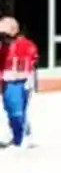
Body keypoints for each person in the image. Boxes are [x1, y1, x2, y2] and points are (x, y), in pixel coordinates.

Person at [0, 16, 37, 149]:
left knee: (19, 111)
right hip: (6, 82)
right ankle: (15, 134)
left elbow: (31, 63)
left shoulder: (26, 45)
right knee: (10, 109)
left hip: (21, 81)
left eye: (5, 35)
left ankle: (24, 134)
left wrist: (31, 81)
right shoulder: (3, 47)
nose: (3, 38)